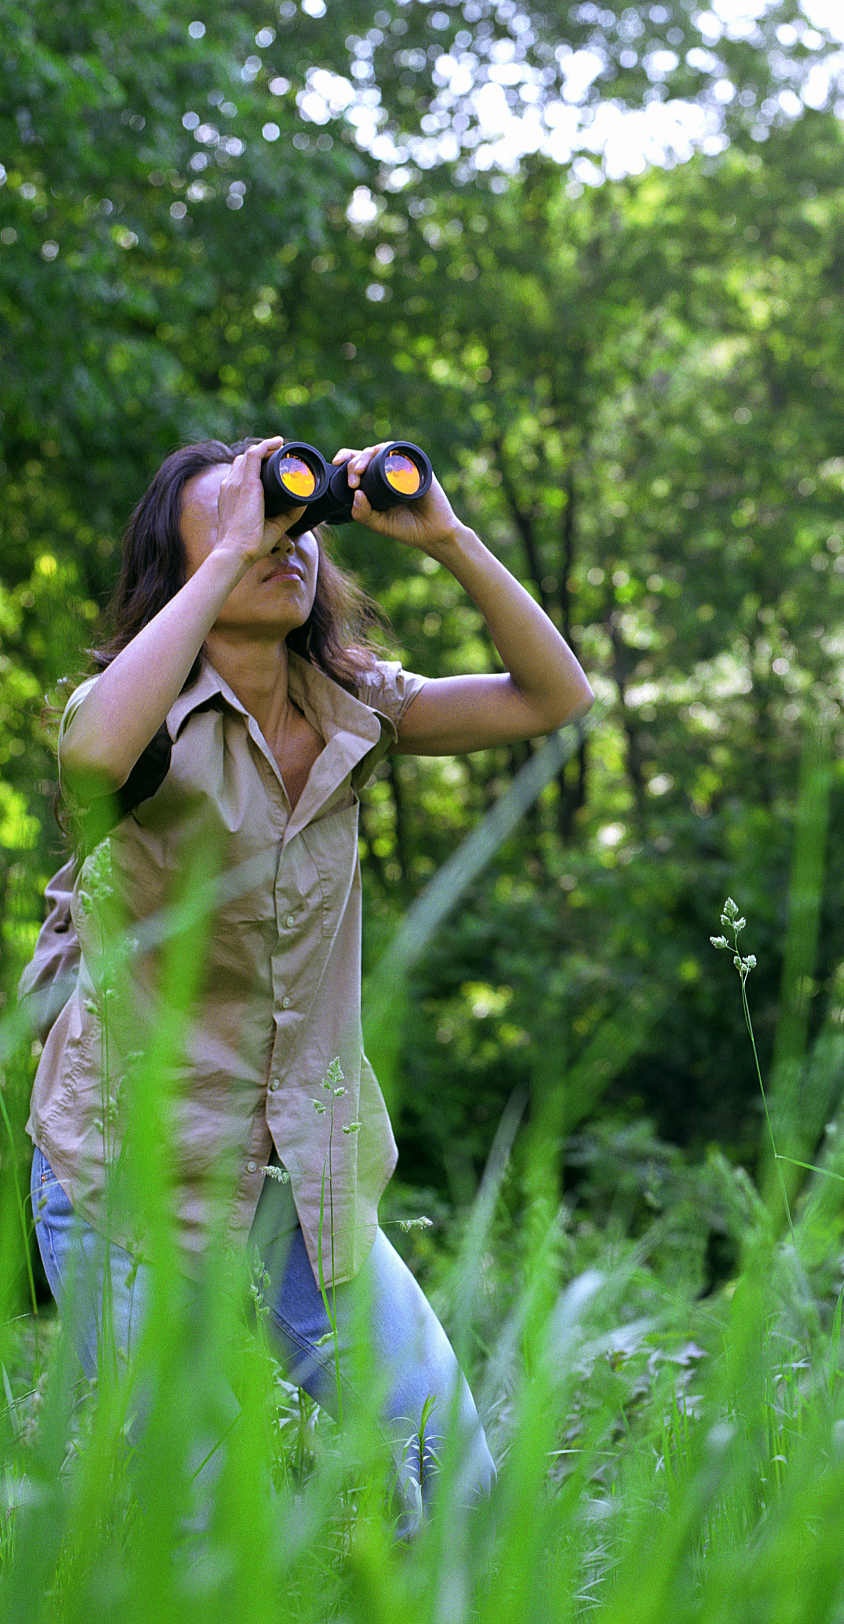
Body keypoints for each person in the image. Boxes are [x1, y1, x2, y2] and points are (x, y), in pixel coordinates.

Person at [20, 434, 592, 1513]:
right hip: (127, 1178)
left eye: (295, 522)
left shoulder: (352, 705)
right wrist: (234, 545)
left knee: (449, 1467)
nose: (284, 540)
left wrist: (447, 535)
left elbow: (553, 696)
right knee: (183, 1521)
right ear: (185, 565)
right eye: (241, 514)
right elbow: (91, 758)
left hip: (302, 1173)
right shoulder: (137, 713)